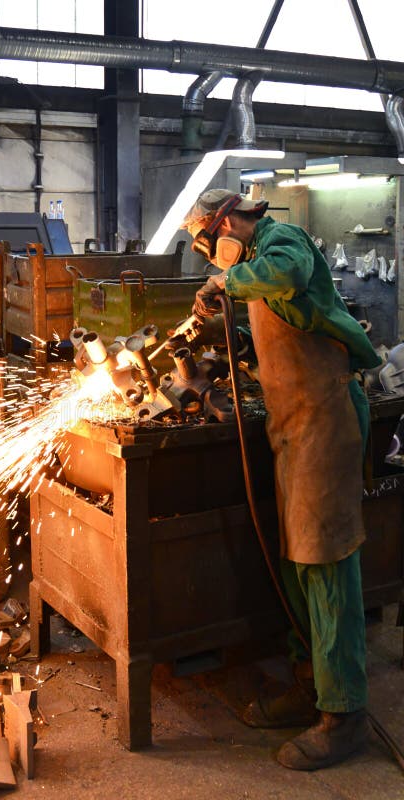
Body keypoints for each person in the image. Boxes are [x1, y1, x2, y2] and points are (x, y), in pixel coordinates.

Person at [181, 188, 382, 771]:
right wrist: (229, 332)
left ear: (227, 224)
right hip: (292, 425)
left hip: (326, 416)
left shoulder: (279, 243)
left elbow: (289, 273)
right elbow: (279, 326)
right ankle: (309, 685)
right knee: (299, 560)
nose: (209, 256)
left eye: (205, 241)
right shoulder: (252, 268)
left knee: (326, 560)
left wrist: (225, 285)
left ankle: (344, 717)